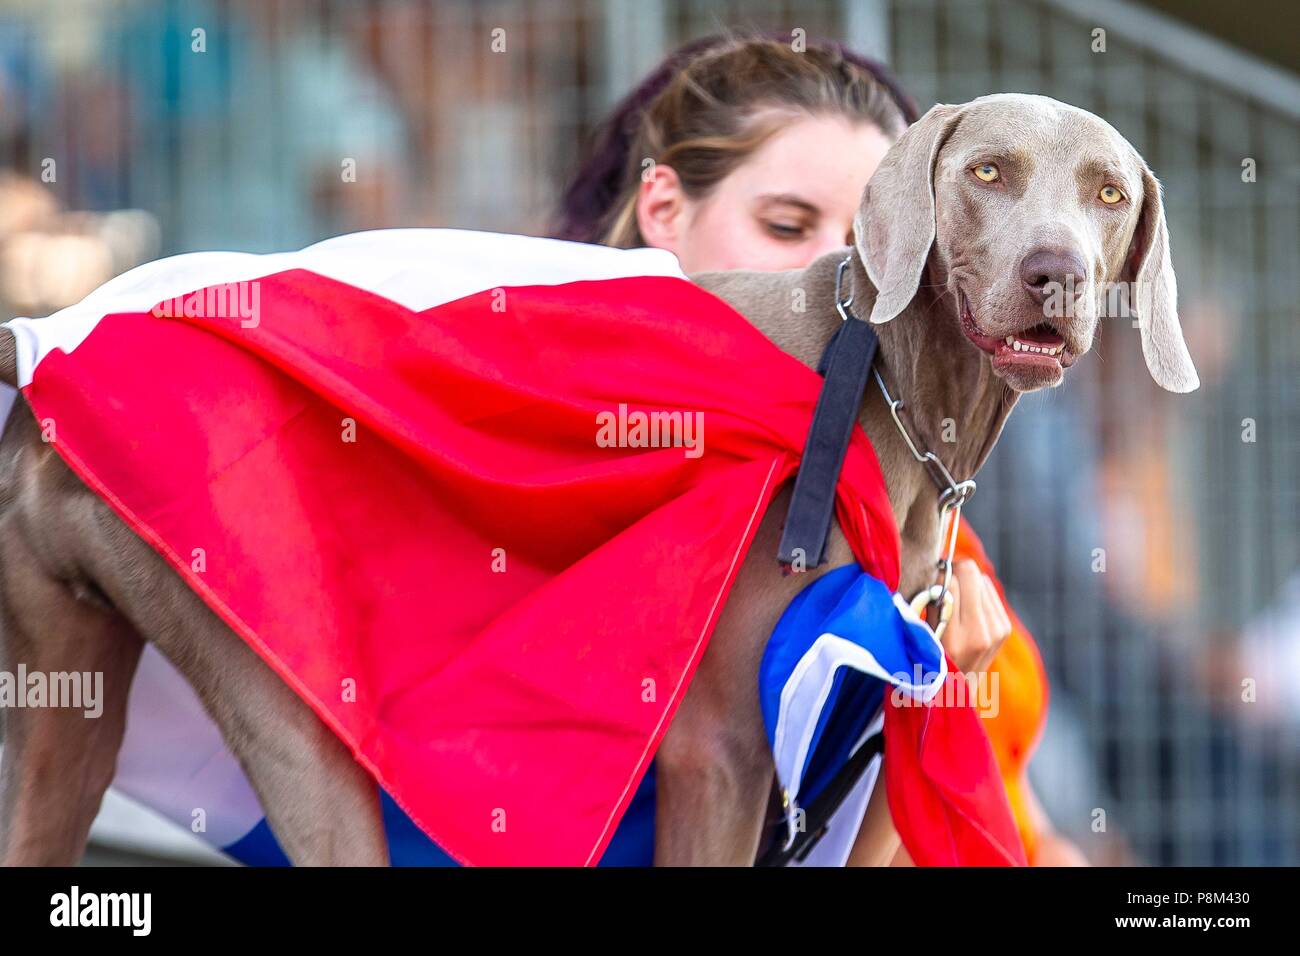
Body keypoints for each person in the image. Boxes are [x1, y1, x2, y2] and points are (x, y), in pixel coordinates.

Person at [553, 32, 1086, 866]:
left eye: (885, 233)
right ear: (663, 213)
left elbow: (1038, 843)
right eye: (788, 224)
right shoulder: (561, 489)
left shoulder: (937, 537)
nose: (851, 275)